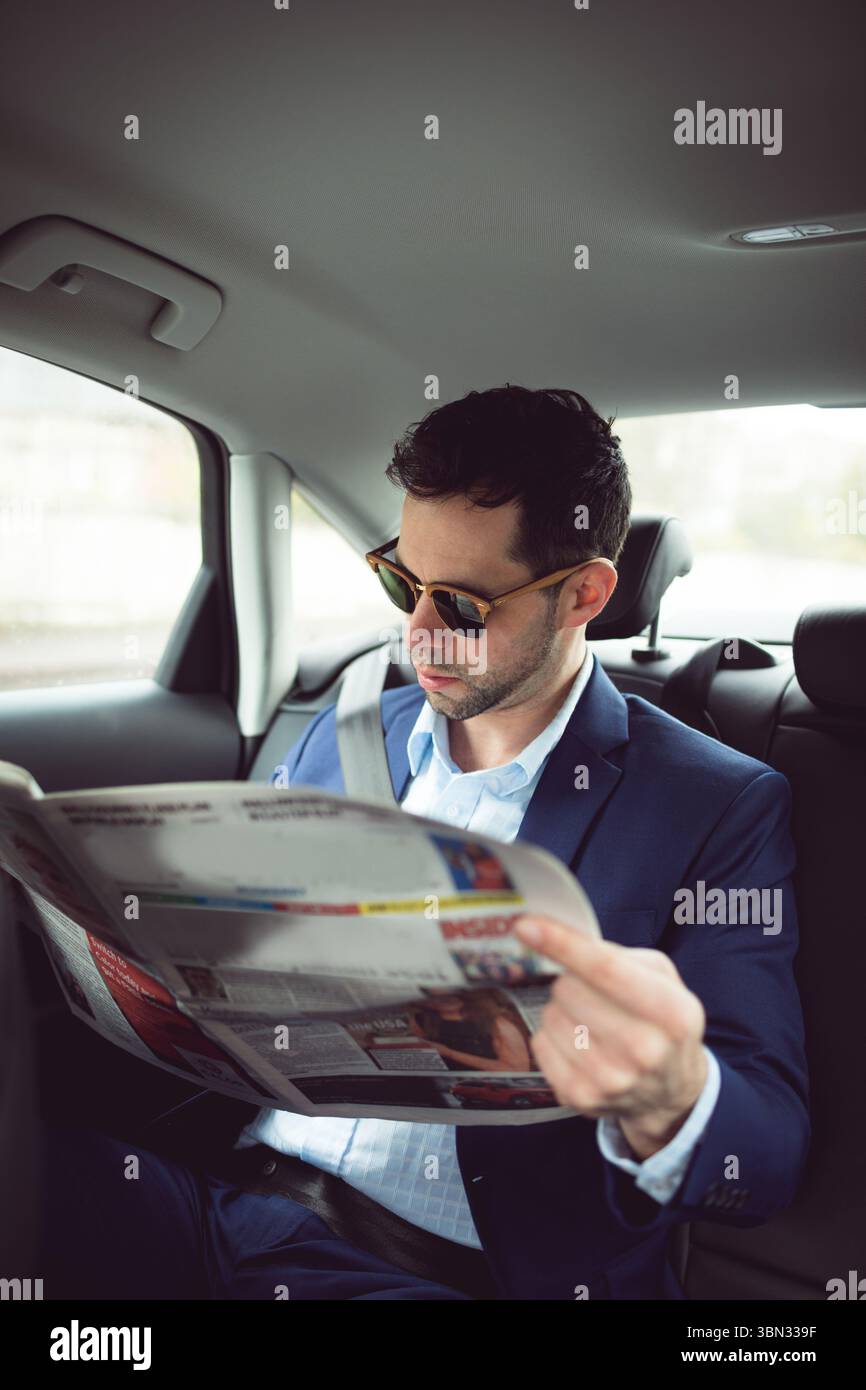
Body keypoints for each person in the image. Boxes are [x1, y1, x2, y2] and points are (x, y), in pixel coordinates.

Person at [41, 385, 809, 1301]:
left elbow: (765, 1155)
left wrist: (669, 1092)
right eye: (404, 583)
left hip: (429, 1271)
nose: (420, 632)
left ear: (584, 594)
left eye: (464, 605)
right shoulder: (344, 729)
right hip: (214, 1195)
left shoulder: (713, 806)